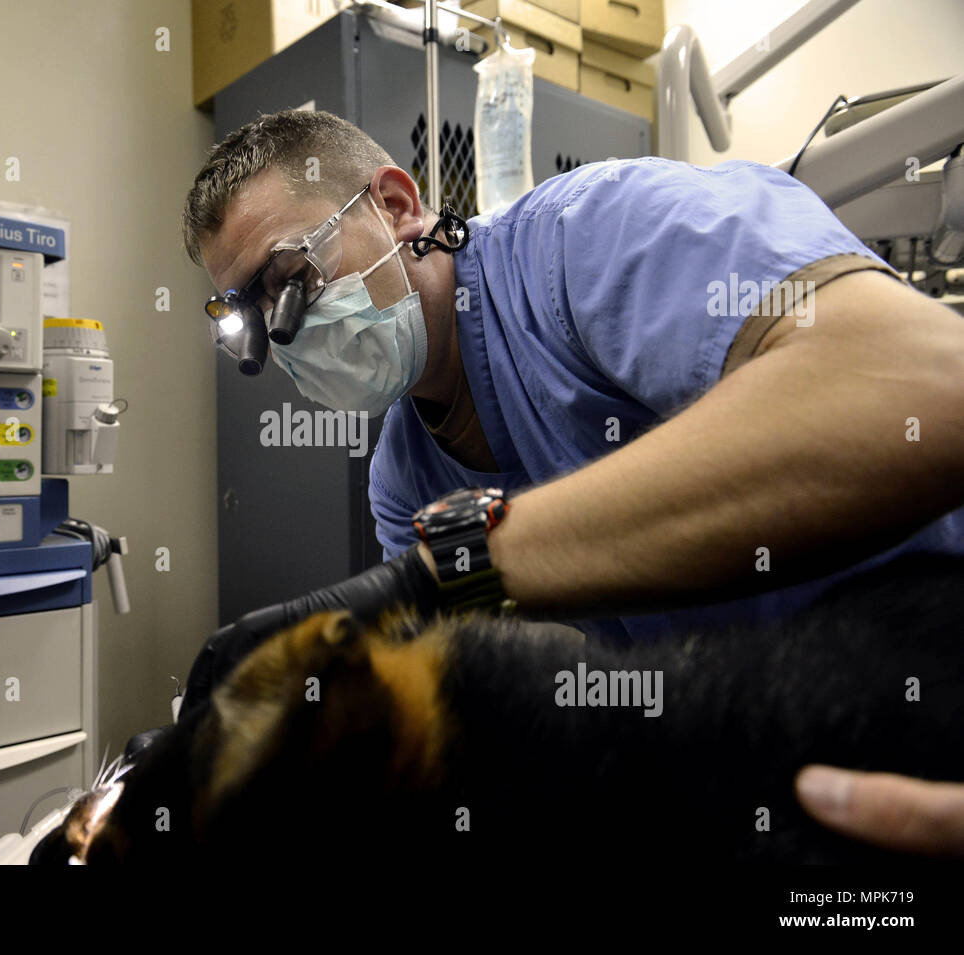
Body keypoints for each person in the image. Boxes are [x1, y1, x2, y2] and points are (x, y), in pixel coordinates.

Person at [178, 109, 964, 855]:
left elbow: (923, 384)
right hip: (754, 744)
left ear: (396, 206)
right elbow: (473, 710)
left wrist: (448, 568)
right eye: (254, 321)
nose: (288, 337)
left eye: (292, 279)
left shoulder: (590, 238)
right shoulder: (403, 473)